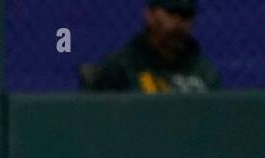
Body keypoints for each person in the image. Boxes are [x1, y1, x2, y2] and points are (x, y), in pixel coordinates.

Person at [90, 0, 221, 93]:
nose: (178, 23)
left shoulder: (204, 72)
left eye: (186, 15)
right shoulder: (120, 67)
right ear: (149, 15)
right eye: (171, 12)